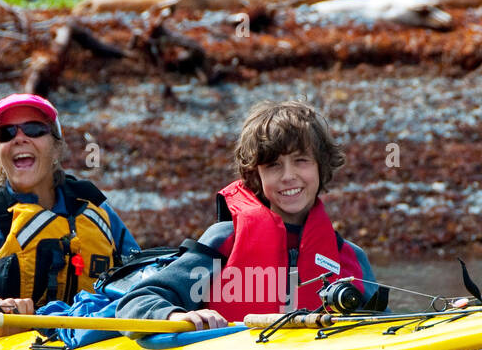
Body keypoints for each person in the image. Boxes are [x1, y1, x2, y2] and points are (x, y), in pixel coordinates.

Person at [115, 99, 384, 330]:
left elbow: (389, 331)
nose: (288, 176)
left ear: (321, 167)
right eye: (273, 166)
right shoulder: (224, 240)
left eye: (301, 161)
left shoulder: (351, 258)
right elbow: (137, 302)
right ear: (256, 175)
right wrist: (177, 315)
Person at [0, 94, 140, 316]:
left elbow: (143, 277)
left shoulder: (97, 211)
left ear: (56, 148)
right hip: (7, 342)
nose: (19, 138)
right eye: (7, 133)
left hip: (94, 339)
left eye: (34, 129)